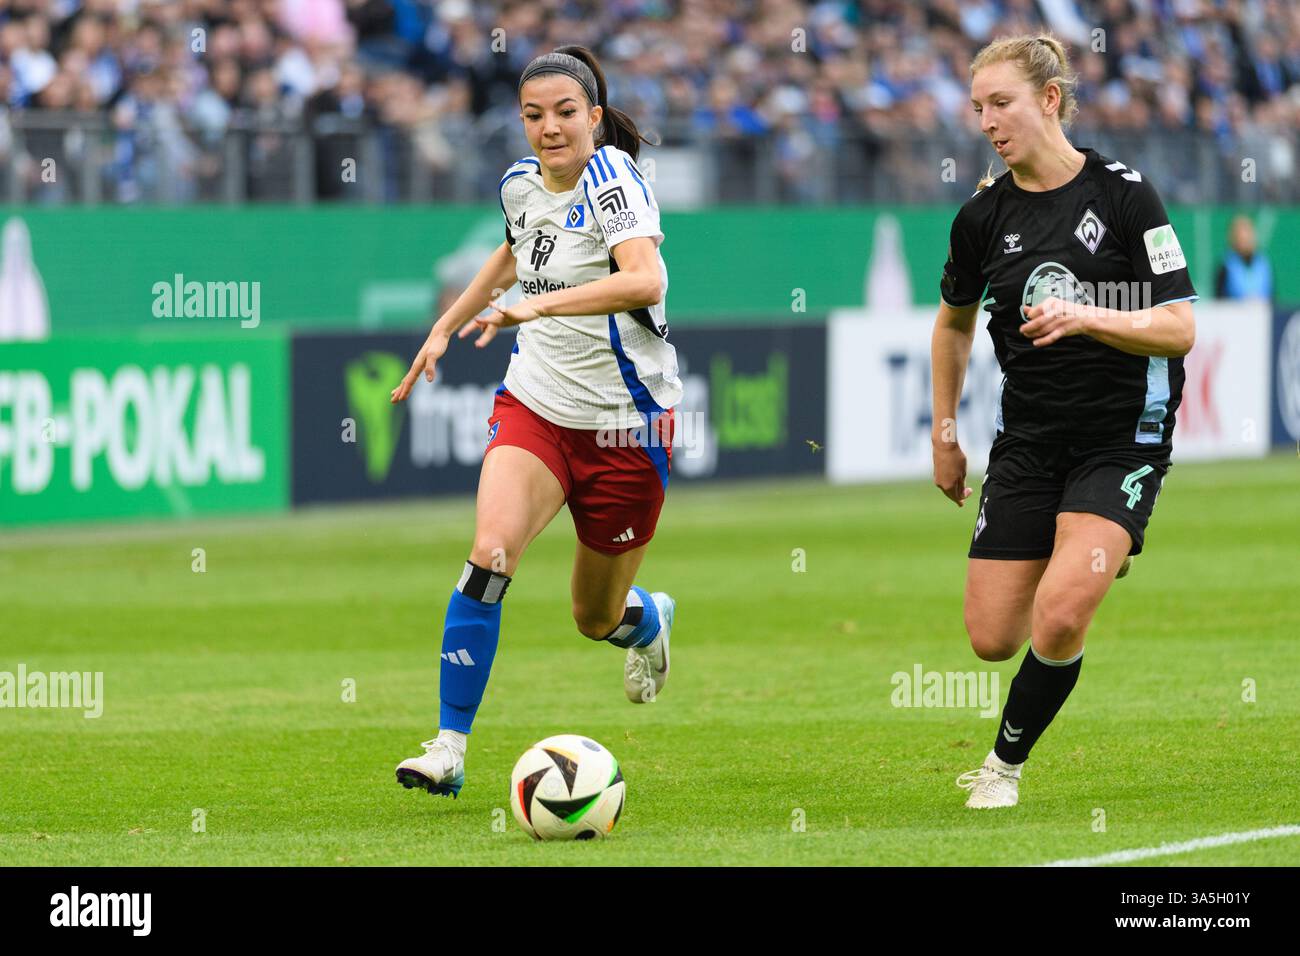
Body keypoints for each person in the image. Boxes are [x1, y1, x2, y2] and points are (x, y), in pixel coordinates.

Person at [389, 46, 681, 798]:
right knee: (489, 555)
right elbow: (513, 254)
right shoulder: (519, 183)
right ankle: (449, 748)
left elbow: (644, 278)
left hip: (625, 426)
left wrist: (536, 306)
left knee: (594, 617)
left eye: (564, 113)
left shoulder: (615, 181)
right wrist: (443, 326)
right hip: (537, 406)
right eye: (533, 115)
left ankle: (647, 622)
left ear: (593, 116)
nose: (549, 128)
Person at [930, 34, 1197, 809]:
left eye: (1001, 103)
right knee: (991, 637)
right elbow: (952, 325)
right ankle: (1091, 547)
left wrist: (1087, 316)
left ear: (1050, 100)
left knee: (1060, 612)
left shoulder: (1125, 196)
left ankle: (1002, 767)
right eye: (978, 108)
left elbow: (1180, 327)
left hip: (1123, 435)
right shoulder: (981, 217)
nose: (987, 122)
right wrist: (944, 432)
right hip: (1030, 438)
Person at [1214, 214, 1273, 300]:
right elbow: (1218, 301)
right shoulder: (1225, 266)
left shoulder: (1264, 264)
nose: (1244, 237)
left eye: (1247, 232)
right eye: (1239, 233)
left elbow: (1272, 296)